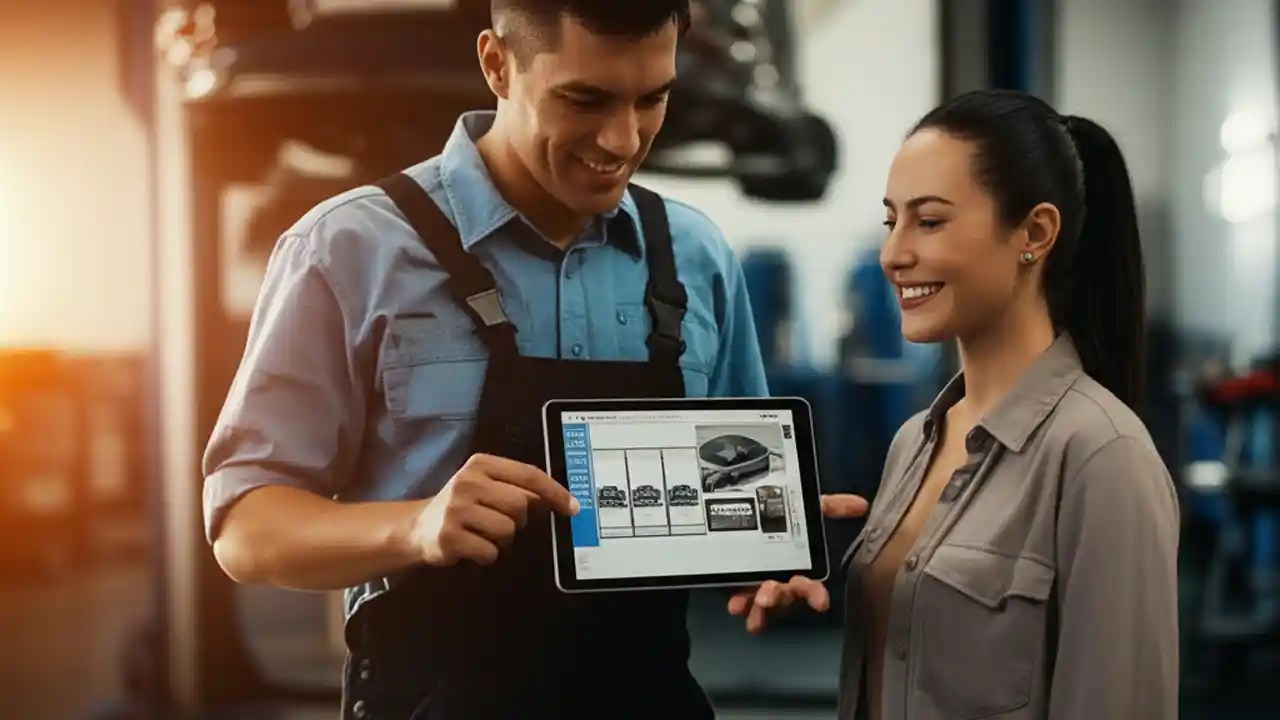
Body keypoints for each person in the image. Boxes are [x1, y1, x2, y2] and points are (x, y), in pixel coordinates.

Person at [201, 2, 770, 718]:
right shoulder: (348, 251)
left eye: (652, 98)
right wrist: (414, 526)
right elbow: (246, 529)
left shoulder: (696, 255)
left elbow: (732, 482)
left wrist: (770, 548)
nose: (623, 139)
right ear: (497, 64)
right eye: (584, 99)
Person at [729, 88, 1181, 720]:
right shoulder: (914, 441)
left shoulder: (1103, 457)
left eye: (930, 220)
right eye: (892, 221)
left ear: (1035, 232)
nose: (894, 254)